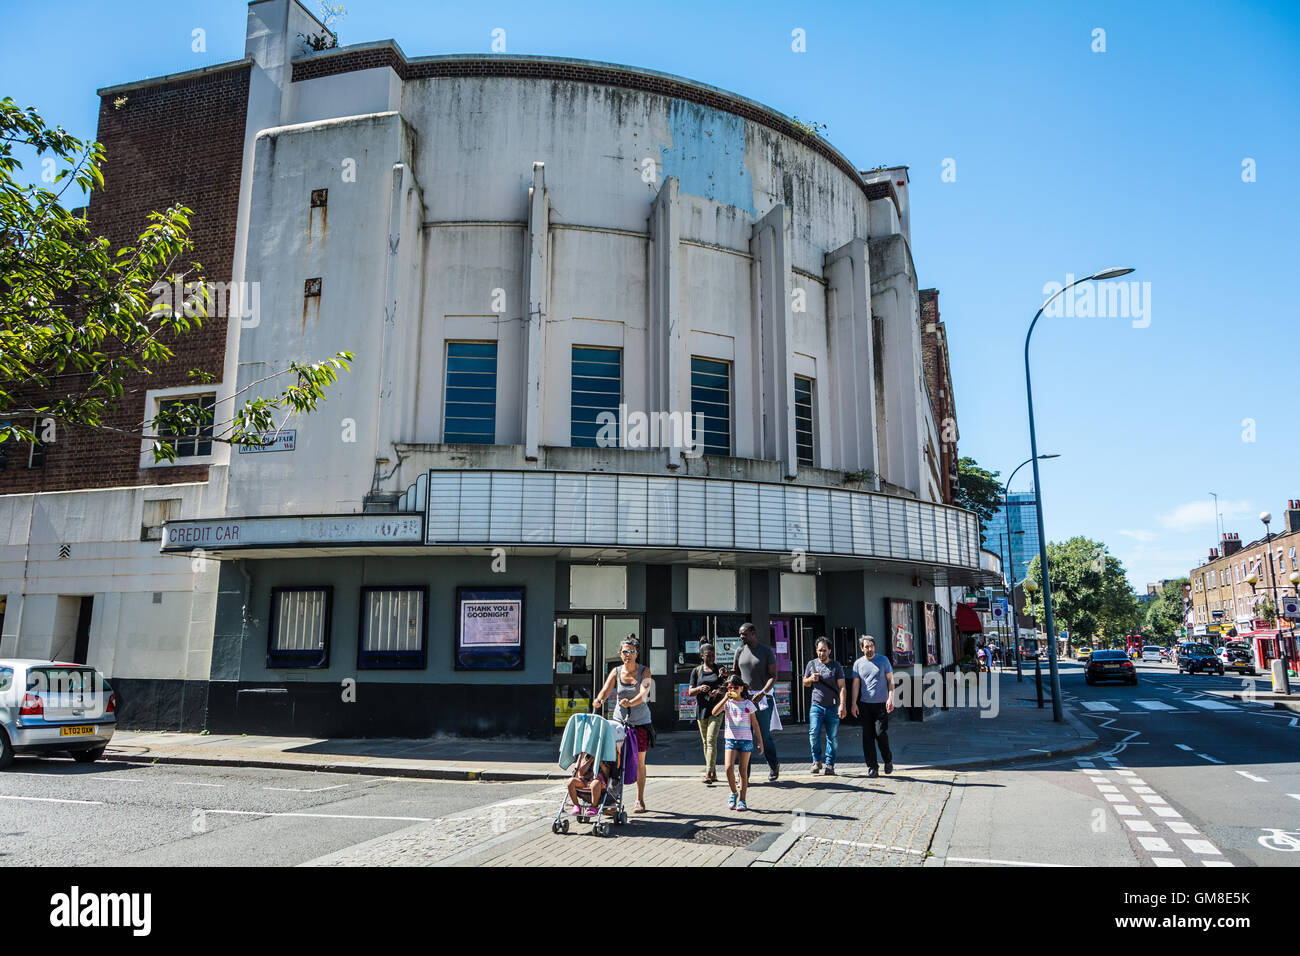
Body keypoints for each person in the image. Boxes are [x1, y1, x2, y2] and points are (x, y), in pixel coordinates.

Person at [594, 636, 653, 813]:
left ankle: (639, 800)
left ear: (637, 653)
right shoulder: (616, 671)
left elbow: (644, 694)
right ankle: (612, 800)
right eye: (625, 651)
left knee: (639, 762)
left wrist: (631, 702)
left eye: (632, 651)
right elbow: (605, 691)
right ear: (620, 654)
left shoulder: (645, 671)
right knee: (615, 761)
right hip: (619, 724)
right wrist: (598, 700)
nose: (628, 655)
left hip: (640, 723)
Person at [734, 622, 780, 781]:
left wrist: (763, 692)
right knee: (744, 737)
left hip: (762, 699)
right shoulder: (739, 651)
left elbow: (773, 676)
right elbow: (736, 673)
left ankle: (774, 764)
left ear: (753, 632)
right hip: (745, 699)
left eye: (744, 634)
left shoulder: (766, 651)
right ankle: (744, 774)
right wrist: (726, 673)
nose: (741, 637)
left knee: (764, 736)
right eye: (740, 634)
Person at [712, 673, 764, 811]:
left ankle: (742, 799)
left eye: (735, 687)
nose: (732, 690)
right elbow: (714, 712)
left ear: (741, 688)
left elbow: (755, 724)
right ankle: (734, 792)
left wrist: (760, 741)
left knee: (743, 771)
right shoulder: (728, 703)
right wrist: (724, 699)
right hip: (731, 739)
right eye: (729, 687)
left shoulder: (748, 704)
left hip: (746, 740)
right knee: (728, 768)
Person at [851, 635, 895, 778]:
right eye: (866, 647)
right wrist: (853, 704)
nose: (869, 649)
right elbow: (856, 684)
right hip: (865, 705)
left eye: (871, 646)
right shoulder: (858, 664)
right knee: (867, 737)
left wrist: (891, 698)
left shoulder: (883, 660)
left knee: (880, 733)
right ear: (861, 648)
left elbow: (891, 681)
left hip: (882, 704)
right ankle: (872, 767)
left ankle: (887, 760)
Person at [802, 637, 846, 775]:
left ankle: (830, 765)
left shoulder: (836, 666)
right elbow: (805, 682)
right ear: (816, 650)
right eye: (820, 650)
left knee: (832, 737)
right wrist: (810, 679)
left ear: (830, 651)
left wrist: (842, 705)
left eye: (824, 650)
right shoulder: (811, 664)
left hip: (833, 706)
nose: (822, 653)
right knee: (813, 733)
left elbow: (842, 686)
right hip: (816, 705)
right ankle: (816, 761)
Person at [688, 642, 727, 783]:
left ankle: (709, 773)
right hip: (702, 709)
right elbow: (690, 692)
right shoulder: (696, 671)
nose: (711, 658)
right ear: (702, 656)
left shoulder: (720, 670)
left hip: (717, 709)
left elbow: (728, 687)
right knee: (705, 742)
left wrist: (719, 691)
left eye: (713, 655)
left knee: (711, 740)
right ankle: (714, 773)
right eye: (708, 655)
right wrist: (700, 688)